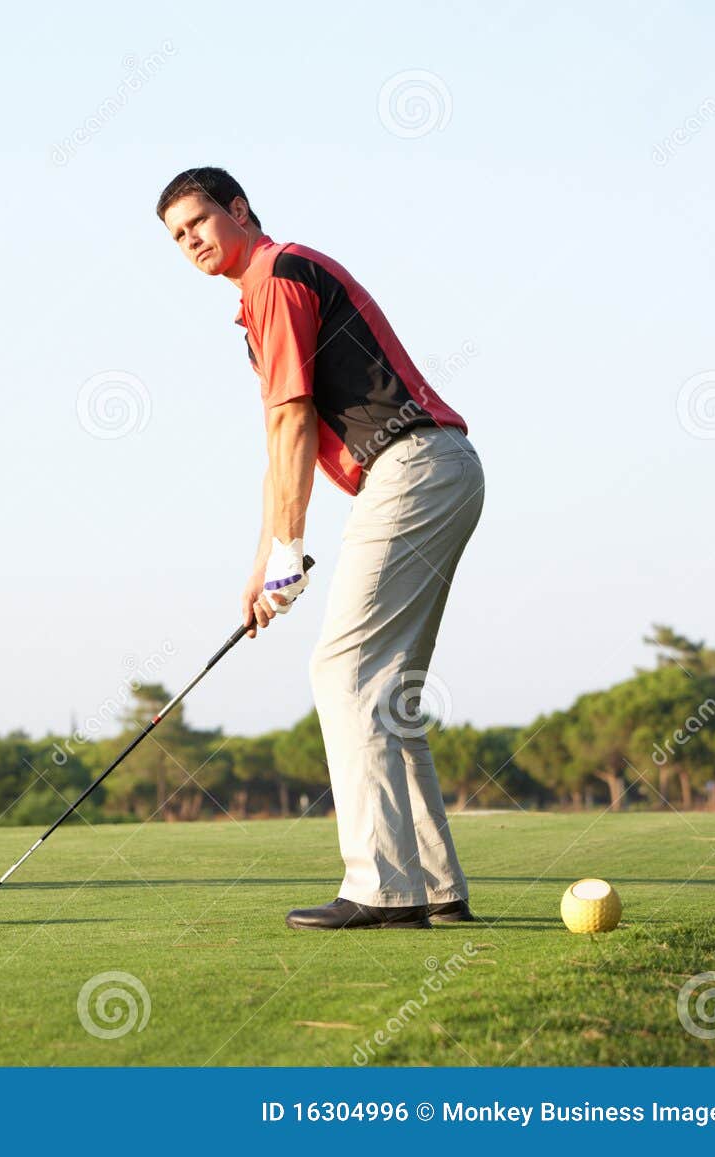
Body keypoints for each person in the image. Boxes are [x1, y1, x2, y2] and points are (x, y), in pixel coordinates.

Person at [156, 168, 484, 931]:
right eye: (177, 235)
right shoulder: (265, 293)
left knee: (344, 671)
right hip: (437, 469)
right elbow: (281, 448)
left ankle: (382, 887)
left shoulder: (276, 275)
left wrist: (289, 547)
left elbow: (293, 421)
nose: (191, 240)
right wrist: (265, 561)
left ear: (239, 209)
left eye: (199, 220)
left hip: (411, 467)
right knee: (389, 689)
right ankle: (435, 886)